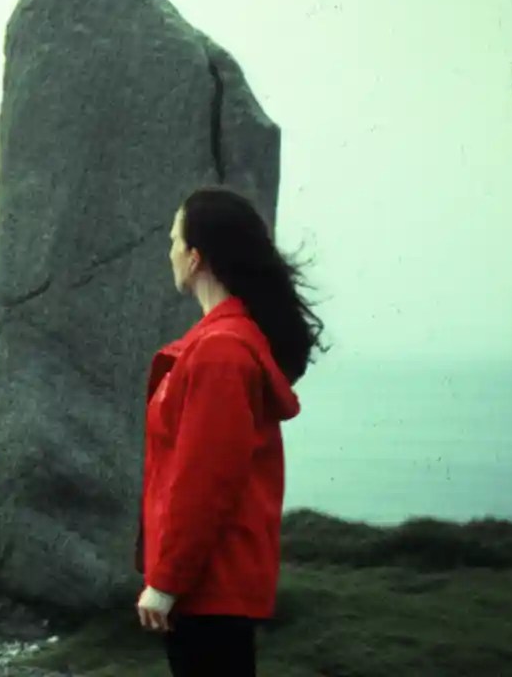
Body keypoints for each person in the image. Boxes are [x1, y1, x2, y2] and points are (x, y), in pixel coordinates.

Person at [134, 185, 325, 676]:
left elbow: (205, 482)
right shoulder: (223, 343)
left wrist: (167, 581)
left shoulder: (220, 352)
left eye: (174, 240)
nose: (169, 252)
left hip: (209, 587)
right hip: (213, 583)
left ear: (195, 257)